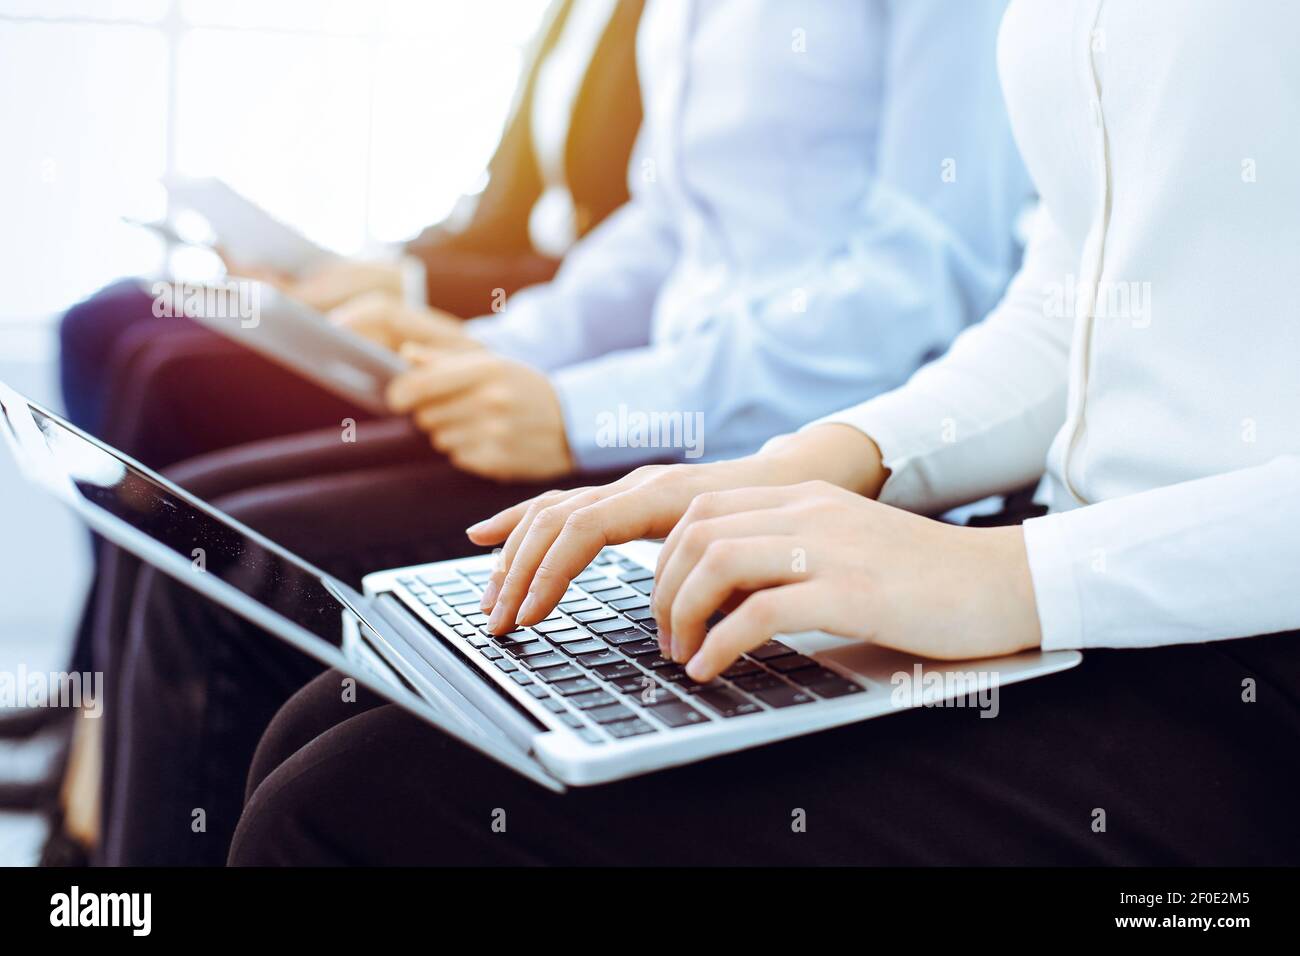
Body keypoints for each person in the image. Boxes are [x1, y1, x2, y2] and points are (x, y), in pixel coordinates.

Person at [228, 0, 1300, 866]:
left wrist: (1006, 578)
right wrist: (806, 464)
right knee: (334, 723)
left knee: (349, 811)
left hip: (1235, 659)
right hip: (1067, 573)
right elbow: (1072, 302)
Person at [101, 0, 1032, 865]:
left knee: (225, 583)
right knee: (203, 526)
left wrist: (583, 412)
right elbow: (668, 232)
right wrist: (507, 353)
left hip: (784, 448)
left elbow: (925, 282)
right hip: (647, 416)